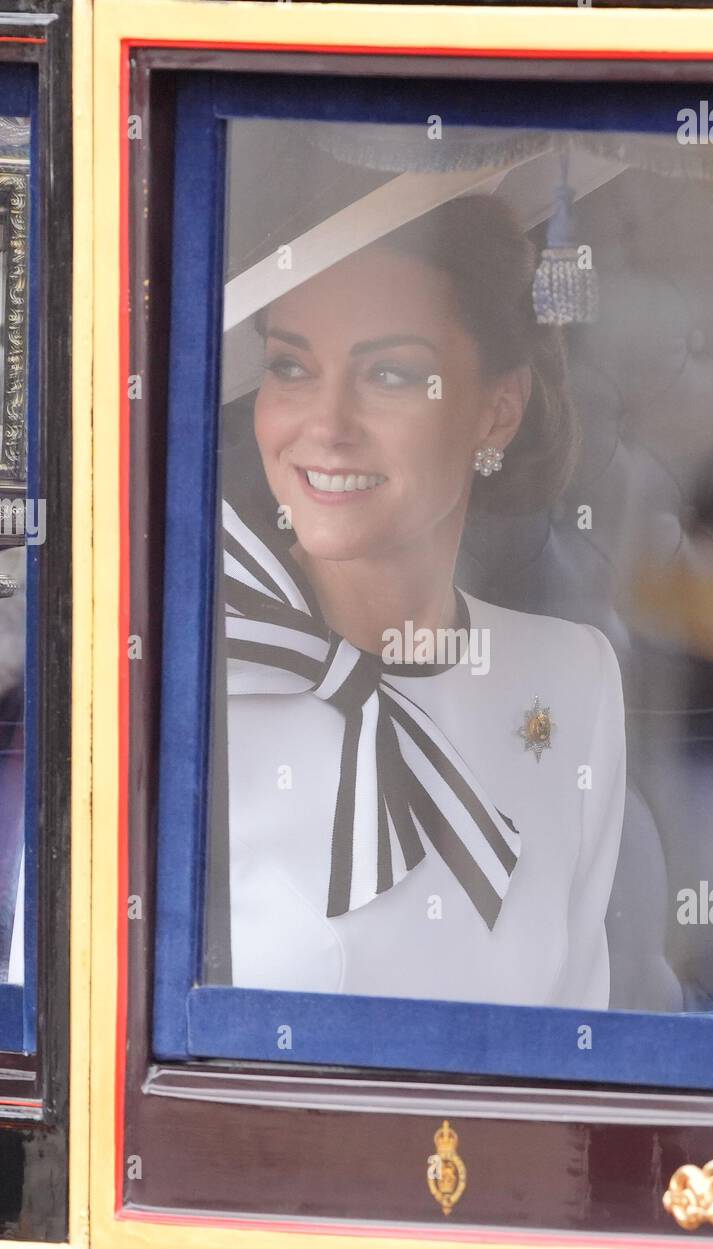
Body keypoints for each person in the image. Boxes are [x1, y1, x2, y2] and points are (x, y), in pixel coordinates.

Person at [213, 193, 626, 1009]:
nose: (326, 425)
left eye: (391, 374)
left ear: (496, 411)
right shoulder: (173, 680)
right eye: (292, 367)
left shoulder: (573, 680)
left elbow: (581, 1060)